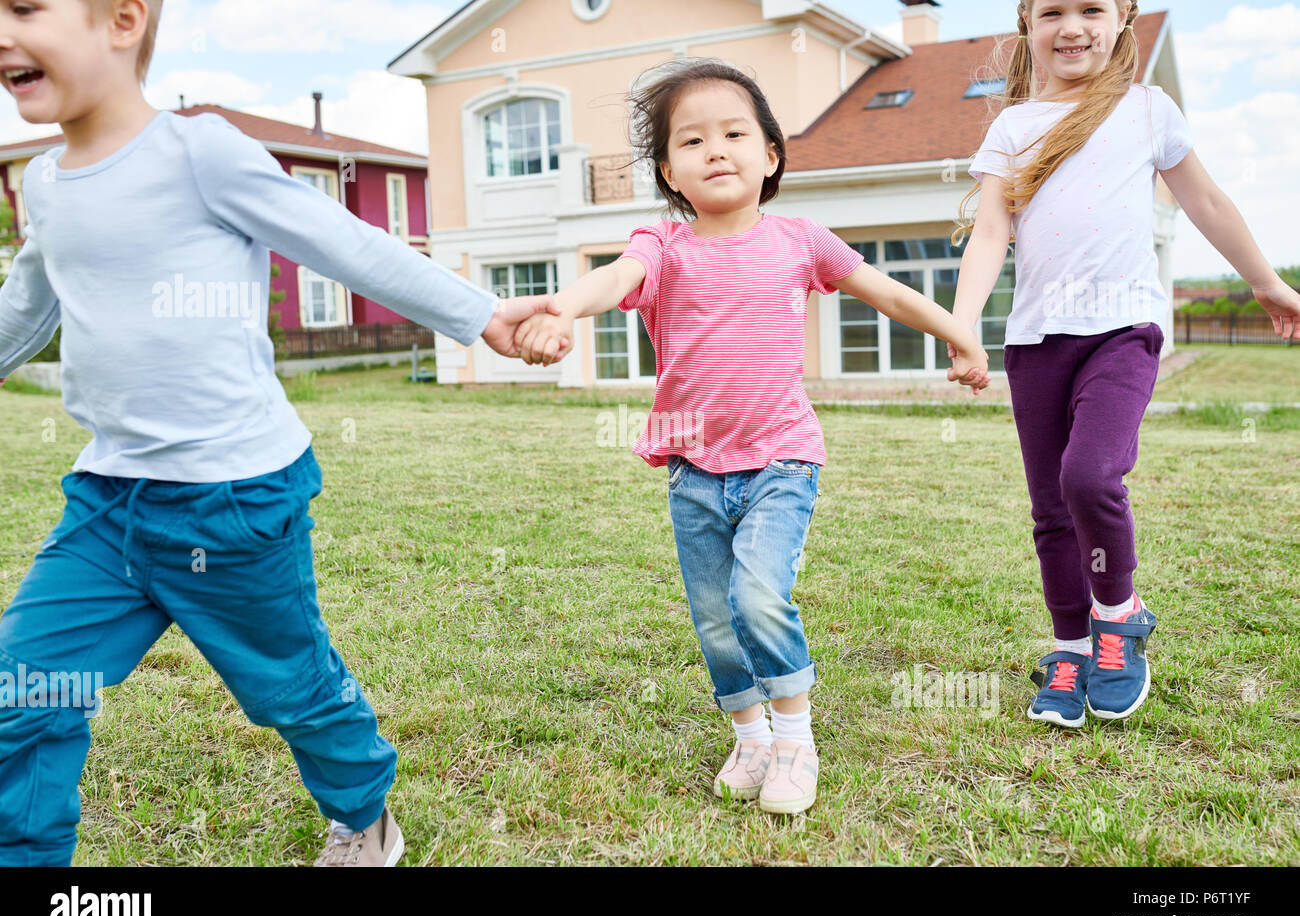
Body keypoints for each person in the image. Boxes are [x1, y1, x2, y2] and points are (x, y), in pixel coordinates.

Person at [0, 0, 558, 866]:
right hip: (108, 502)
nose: (2, 32)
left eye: (25, 7)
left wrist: (481, 314)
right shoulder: (42, 181)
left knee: (289, 689)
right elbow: (25, 308)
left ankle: (365, 810)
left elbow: (342, 242)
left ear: (121, 20)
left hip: (233, 501)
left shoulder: (199, 153)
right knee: (23, 693)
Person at [516, 58, 989, 814]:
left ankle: (796, 743)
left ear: (770, 154)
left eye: (735, 133)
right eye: (692, 140)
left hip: (782, 459)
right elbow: (609, 278)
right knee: (713, 614)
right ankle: (751, 737)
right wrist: (560, 310)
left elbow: (890, 291)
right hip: (693, 470)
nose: (716, 150)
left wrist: (959, 336)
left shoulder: (801, 240)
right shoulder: (663, 247)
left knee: (757, 595)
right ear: (670, 172)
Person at [951, 0, 1299, 729]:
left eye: (1091, 9)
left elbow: (1204, 200)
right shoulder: (1011, 128)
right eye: (1052, 11)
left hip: (1122, 331)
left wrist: (1265, 281)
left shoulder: (1147, 110)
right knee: (1051, 509)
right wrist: (962, 325)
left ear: (1122, 18)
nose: (1071, 26)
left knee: (1090, 475)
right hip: (1037, 339)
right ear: (1026, 24)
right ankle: (1071, 648)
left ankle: (1120, 616)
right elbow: (990, 232)